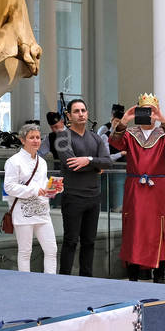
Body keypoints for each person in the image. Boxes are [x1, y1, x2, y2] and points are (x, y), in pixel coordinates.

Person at [108, 96, 165, 282]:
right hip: (135, 187)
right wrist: (125, 120)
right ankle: (133, 275)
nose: (148, 114)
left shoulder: (163, 135)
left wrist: (163, 119)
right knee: (134, 228)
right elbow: (114, 143)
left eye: (151, 110)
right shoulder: (130, 133)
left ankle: (158, 276)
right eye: (144, 110)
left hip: (156, 188)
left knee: (157, 229)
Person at [48, 97, 111, 277]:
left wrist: (88, 160)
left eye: (83, 110)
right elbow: (70, 164)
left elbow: (108, 162)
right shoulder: (62, 137)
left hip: (94, 197)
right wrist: (96, 166)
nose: (81, 114)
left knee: (89, 241)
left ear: (87, 113)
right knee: (70, 241)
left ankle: (87, 279)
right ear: (68, 115)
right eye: (76, 111)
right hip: (73, 197)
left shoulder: (96, 138)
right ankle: (65, 278)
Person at [4, 122, 60, 274]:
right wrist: (36, 190)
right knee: (25, 251)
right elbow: (9, 187)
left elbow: (43, 185)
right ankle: (25, 284)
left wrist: (53, 189)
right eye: (32, 138)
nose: (36, 140)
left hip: (42, 210)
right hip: (22, 211)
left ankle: (50, 281)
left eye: (38, 137)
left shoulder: (41, 162)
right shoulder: (13, 161)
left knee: (51, 249)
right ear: (23, 140)